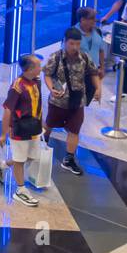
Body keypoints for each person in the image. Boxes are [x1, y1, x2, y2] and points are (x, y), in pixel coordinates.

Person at [42, 27, 103, 176]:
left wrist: (98, 89)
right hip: (58, 102)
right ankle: (41, 145)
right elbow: (48, 75)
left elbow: (93, 73)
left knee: (74, 130)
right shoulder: (55, 57)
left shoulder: (85, 57)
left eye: (77, 43)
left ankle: (69, 159)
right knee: (49, 124)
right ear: (65, 42)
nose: (75, 47)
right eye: (71, 44)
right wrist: (51, 89)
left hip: (77, 102)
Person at [0, 54, 45, 206]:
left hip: (34, 128)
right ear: (29, 69)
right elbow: (7, 110)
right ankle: (20, 191)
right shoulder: (17, 87)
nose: (40, 68)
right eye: (38, 66)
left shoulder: (36, 81)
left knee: (30, 157)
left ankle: (2, 165)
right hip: (19, 129)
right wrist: (3, 134)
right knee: (21, 160)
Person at [76, 6, 107, 73]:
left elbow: (101, 51)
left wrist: (102, 68)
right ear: (82, 20)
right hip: (77, 74)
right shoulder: (72, 34)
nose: (95, 20)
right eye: (92, 18)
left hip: (95, 72)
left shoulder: (98, 31)